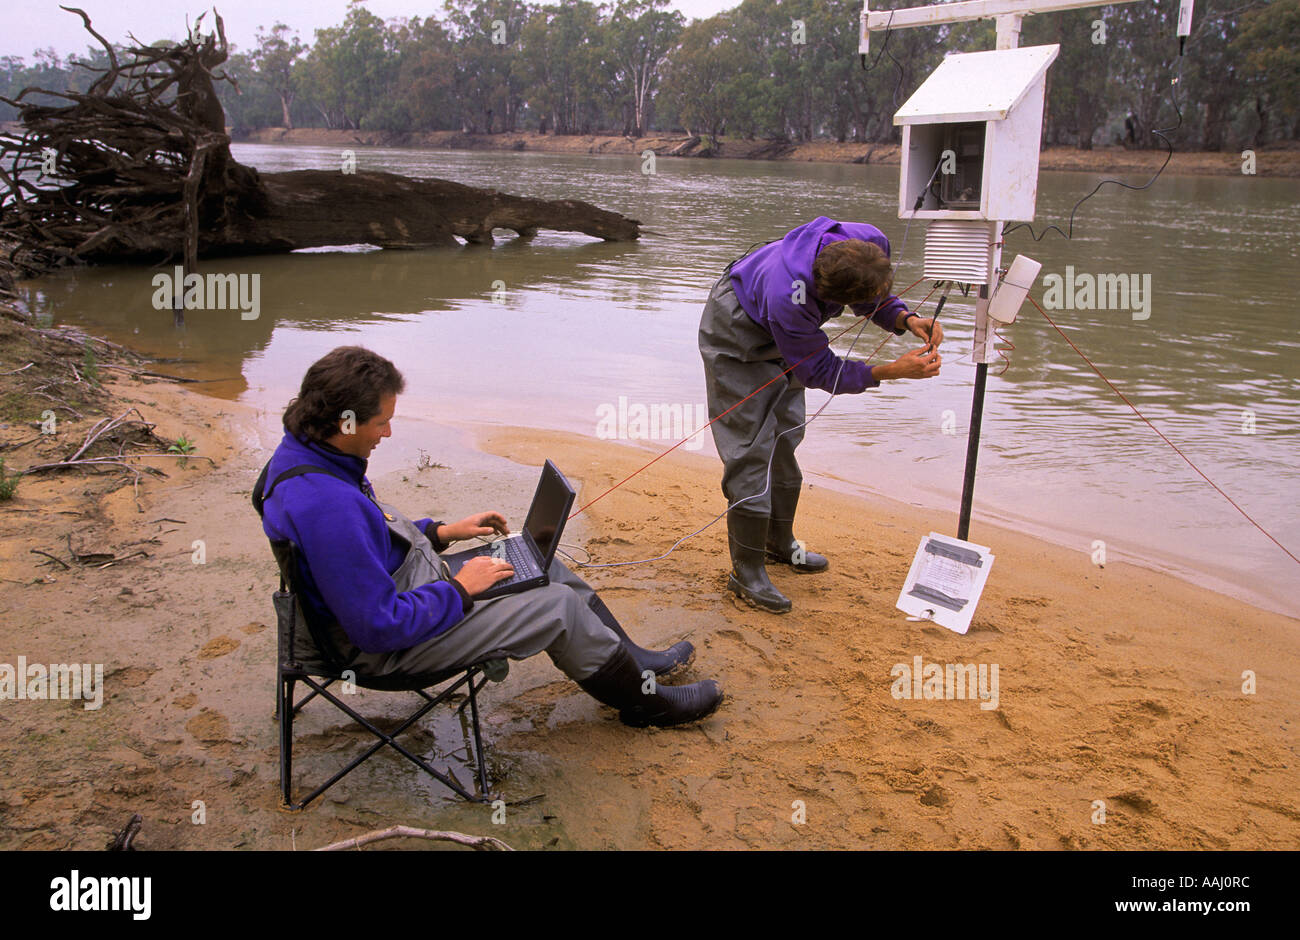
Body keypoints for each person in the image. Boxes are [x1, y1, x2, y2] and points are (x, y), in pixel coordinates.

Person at [255, 346, 723, 727]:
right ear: (346, 423)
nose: (389, 432)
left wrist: (440, 532)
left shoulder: (309, 454)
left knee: (538, 562)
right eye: (382, 422)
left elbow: (370, 543)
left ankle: (635, 666)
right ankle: (645, 706)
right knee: (556, 606)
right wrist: (460, 589)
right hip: (383, 649)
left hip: (403, 592)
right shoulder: (326, 505)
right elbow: (377, 628)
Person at [698, 216, 943, 614]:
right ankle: (747, 572)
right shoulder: (789, 298)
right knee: (750, 447)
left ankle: (778, 543)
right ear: (828, 297)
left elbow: (871, 292)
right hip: (738, 325)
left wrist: (905, 318)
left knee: (786, 434)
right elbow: (820, 371)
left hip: (788, 324)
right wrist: (888, 371)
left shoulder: (869, 240)